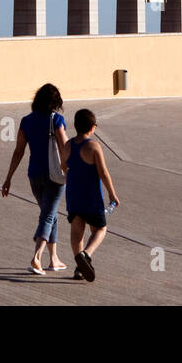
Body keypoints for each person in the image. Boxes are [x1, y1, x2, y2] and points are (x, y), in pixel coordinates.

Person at [1, 83, 69, 275]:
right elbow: (65, 149)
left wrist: (8, 178)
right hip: (54, 176)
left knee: (50, 213)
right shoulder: (56, 120)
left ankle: (54, 259)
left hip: (34, 176)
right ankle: (37, 257)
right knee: (47, 216)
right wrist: (73, 171)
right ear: (55, 102)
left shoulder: (26, 121)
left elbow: (18, 151)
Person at [62, 108, 119, 283]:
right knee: (100, 228)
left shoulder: (68, 145)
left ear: (75, 126)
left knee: (76, 231)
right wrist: (112, 194)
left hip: (73, 195)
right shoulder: (94, 146)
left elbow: (64, 166)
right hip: (91, 197)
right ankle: (86, 255)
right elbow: (103, 172)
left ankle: (79, 267)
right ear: (92, 127)